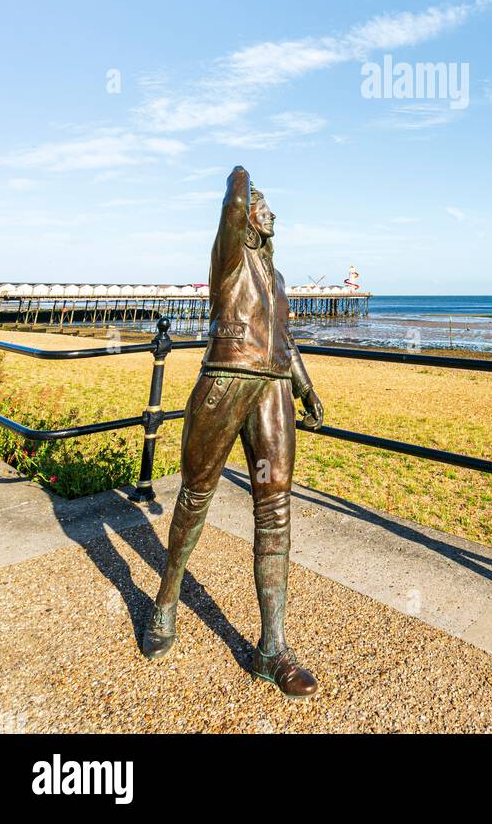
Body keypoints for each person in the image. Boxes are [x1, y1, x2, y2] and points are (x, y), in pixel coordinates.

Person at [141, 166, 324, 697]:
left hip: (270, 391)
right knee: (195, 498)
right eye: (265, 209)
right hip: (223, 386)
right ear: (248, 220)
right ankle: (166, 601)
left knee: (275, 507)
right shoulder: (230, 259)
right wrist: (242, 176)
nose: (273, 217)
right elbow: (234, 204)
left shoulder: (279, 278)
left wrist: (305, 388)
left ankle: (273, 648)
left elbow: (284, 340)